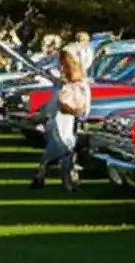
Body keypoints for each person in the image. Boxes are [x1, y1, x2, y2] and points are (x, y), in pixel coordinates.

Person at [32, 49, 91, 191]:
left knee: (63, 147)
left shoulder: (68, 80)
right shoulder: (69, 80)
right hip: (61, 117)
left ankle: (46, 175)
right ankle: (66, 180)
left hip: (63, 117)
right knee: (64, 148)